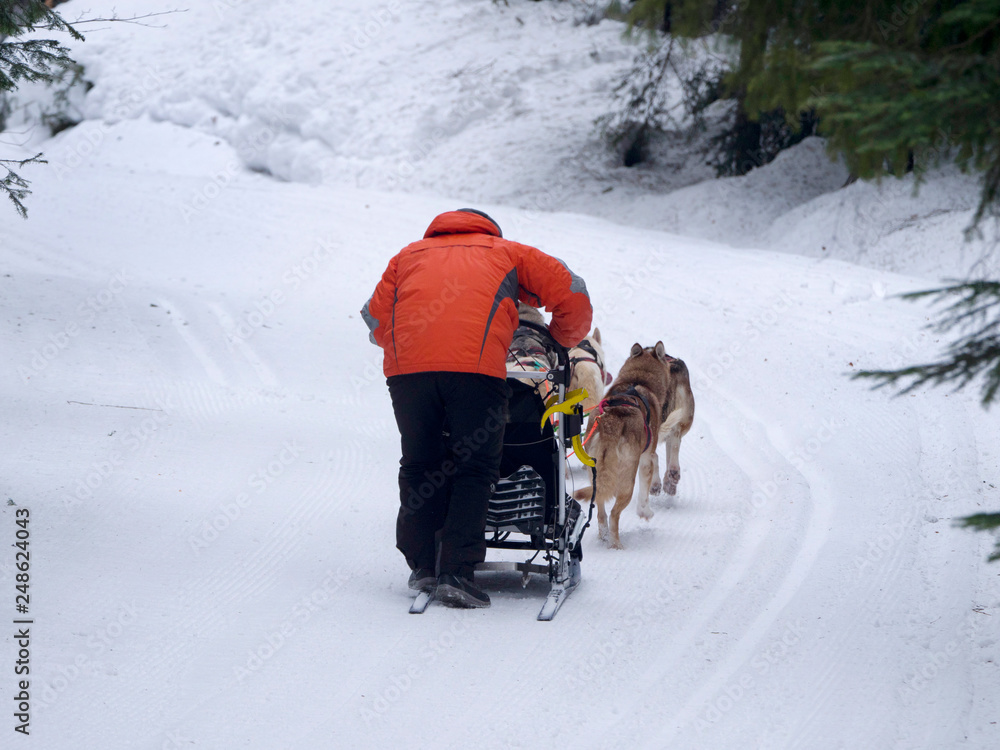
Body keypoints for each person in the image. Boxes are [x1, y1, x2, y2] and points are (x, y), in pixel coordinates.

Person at [362, 208, 593, 608]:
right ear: (488, 229)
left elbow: (374, 316)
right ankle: (457, 572)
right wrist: (560, 339)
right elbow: (571, 289)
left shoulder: (407, 256)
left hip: (408, 373)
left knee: (419, 461)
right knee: (474, 465)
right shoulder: (507, 252)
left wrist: (411, 346)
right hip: (475, 369)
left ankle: (423, 565)